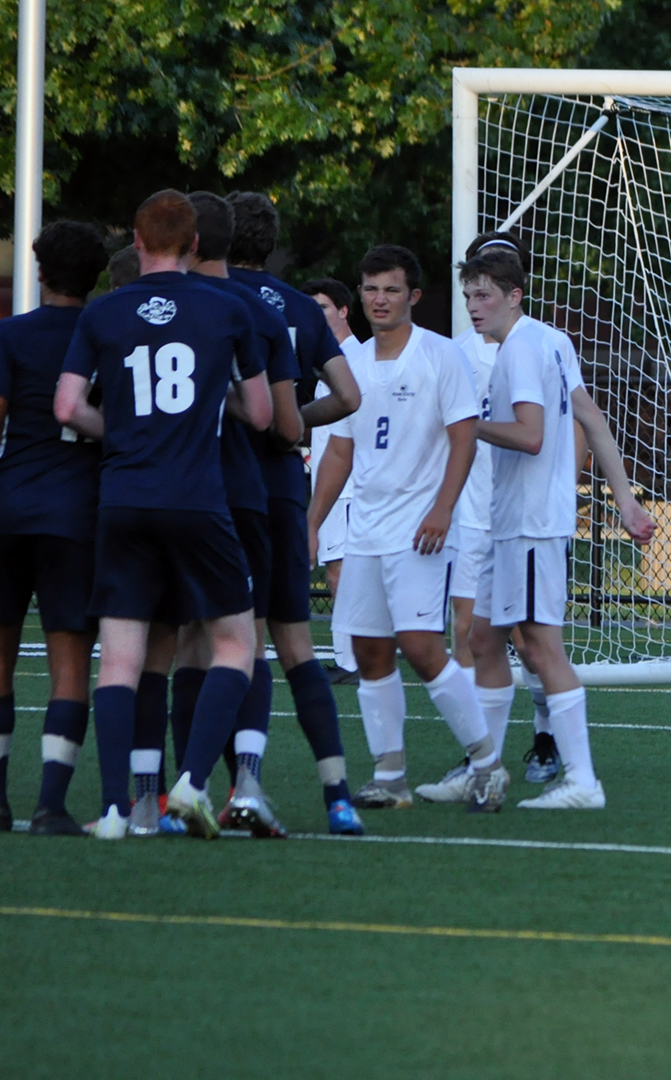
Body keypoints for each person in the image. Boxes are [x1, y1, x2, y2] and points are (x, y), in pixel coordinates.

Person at [54, 188, 272, 839]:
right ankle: (192, 782)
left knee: (119, 659)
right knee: (236, 643)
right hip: (198, 499)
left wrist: (118, 432)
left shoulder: (103, 313)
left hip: (123, 498)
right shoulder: (228, 308)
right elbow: (261, 415)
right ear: (197, 244)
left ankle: (119, 810)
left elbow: (66, 407)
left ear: (138, 242)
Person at [307, 244, 506, 810]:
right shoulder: (349, 366)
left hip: (420, 531)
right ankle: (390, 776)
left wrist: (442, 508)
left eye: (391, 289)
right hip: (365, 529)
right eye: (371, 289)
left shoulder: (442, 356)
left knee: (421, 647)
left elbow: (464, 438)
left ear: (413, 296)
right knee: (370, 653)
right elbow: (340, 454)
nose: (379, 299)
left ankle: (486, 765)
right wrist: (312, 522)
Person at [457, 245, 656, 808]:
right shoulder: (549, 339)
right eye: (468, 295)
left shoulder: (520, 350)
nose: (474, 307)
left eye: (484, 296)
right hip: (516, 522)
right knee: (483, 639)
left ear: (514, 295)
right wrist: (626, 501)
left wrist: (466, 422)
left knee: (541, 649)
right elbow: (591, 417)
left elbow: (530, 435)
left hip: (528, 523)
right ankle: (484, 770)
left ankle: (581, 782)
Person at [136, 191, 304, 839]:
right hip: (243, 495)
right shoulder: (257, 311)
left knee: (178, 648)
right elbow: (282, 422)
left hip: (158, 493)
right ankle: (239, 784)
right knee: (247, 639)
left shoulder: (134, 308)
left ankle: (157, 795)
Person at [226, 192, 366, 835]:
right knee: (296, 643)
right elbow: (348, 395)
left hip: (225, 486)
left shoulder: (217, 301)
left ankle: (238, 785)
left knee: (228, 646)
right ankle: (336, 793)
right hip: (284, 485)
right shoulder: (296, 308)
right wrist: (296, 425)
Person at [0, 221, 111, 835]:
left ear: (39, 271)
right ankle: (50, 805)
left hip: (10, 507)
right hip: (77, 512)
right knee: (72, 665)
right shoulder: (107, 334)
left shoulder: (11, 335)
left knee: (1, 659)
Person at [302, 277, 361, 683]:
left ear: (343, 311)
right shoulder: (329, 361)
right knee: (340, 570)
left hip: (350, 488)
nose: (315, 316)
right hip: (334, 485)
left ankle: (351, 661)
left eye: (322, 307)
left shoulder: (353, 360)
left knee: (341, 571)